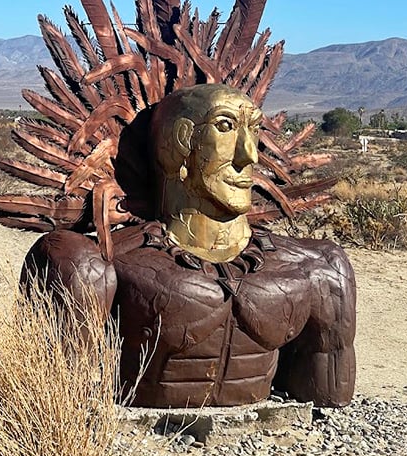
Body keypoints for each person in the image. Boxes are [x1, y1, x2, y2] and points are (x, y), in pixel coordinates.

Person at [22, 83, 356, 408]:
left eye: (253, 130)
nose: (249, 154)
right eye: (225, 127)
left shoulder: (315, 268)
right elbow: (54, 402)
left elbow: (326, 397)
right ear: (182, 141)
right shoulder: (101, 263)